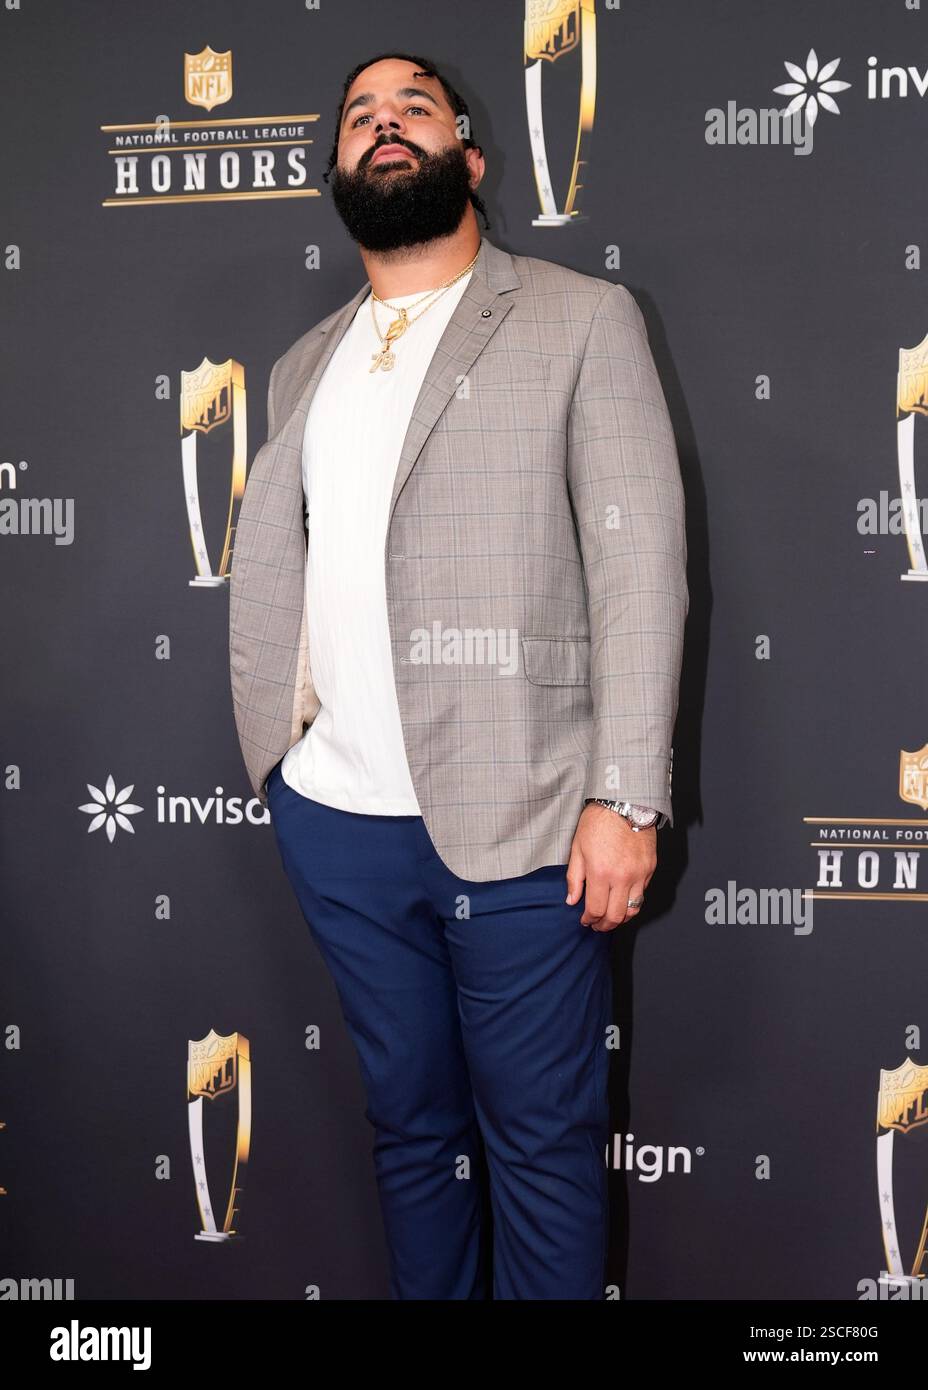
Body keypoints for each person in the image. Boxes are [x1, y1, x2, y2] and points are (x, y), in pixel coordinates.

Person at [228, 51, 688, 1299]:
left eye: (412, 110)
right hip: (338, 820)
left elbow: (639, 567)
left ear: (470, 157)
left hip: (528, 818)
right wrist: (286, 764)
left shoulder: (578, 316)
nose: (384, 128)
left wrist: (626, 794)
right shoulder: (299, 362)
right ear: (336, 166)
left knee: (540, 1148)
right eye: (359, 117)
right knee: (412, 1140)